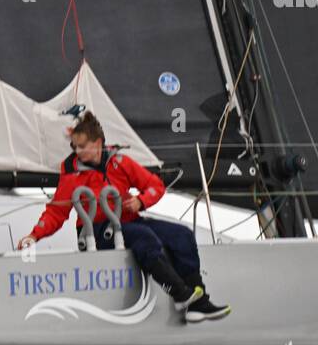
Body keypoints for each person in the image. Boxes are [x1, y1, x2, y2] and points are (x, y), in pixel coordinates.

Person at [17, 113, 230, 323]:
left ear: (98, 143)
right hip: (97, 230)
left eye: (82, 146)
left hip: (128, 221)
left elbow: (154, 185)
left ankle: (197, 304)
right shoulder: (71, 174)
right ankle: (179, 294)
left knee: (181, 235)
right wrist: (34, 236)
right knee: (143, 236)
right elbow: (56, 212)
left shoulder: (120, 162)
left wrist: (140, 201)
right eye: (74, 146)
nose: (77, 151)